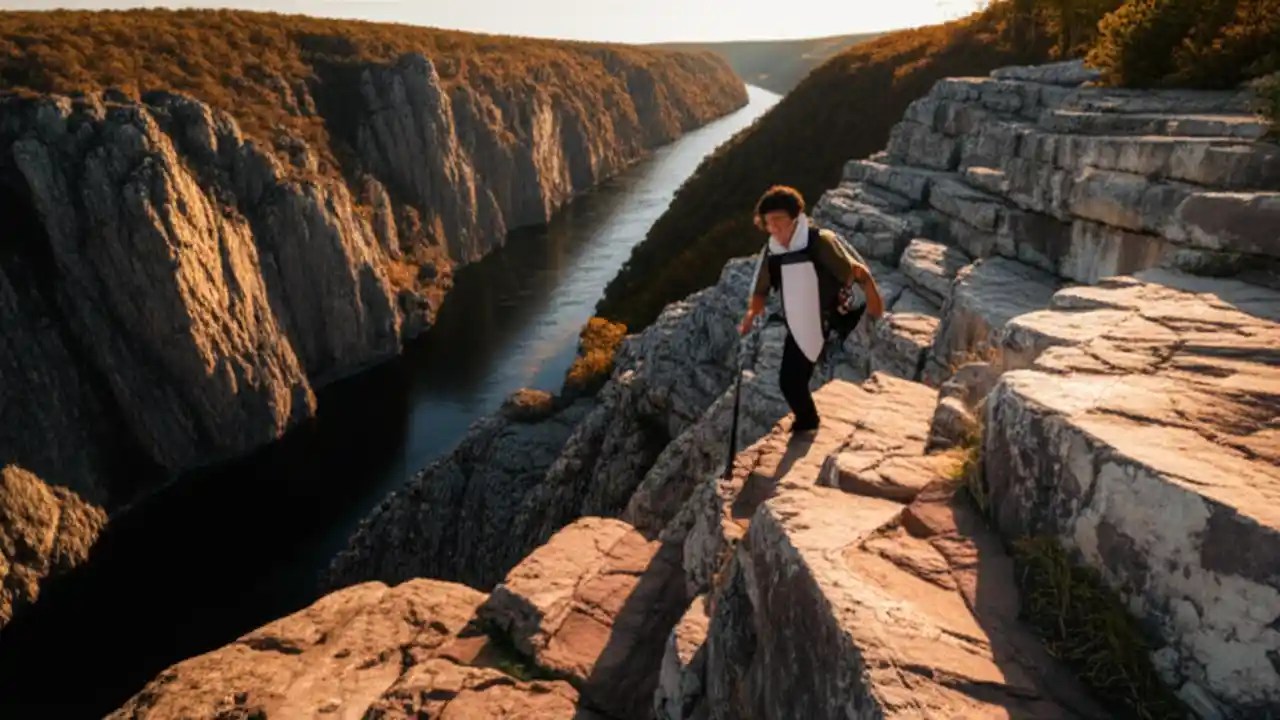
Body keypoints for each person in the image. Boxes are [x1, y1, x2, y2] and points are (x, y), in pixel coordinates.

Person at [738, 185, 884, 434]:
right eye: (768, 223)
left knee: (790, 381)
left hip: (823, 320)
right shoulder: (774, 252)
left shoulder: (819, 242)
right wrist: (752, 313)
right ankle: (807, 420)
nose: (774, 228)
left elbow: (855, 271)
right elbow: (762, 286)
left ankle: (808, 422)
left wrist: (872, 299)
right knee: (793, 380)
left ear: (795, 218)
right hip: (797, 321)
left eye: (779, 221)